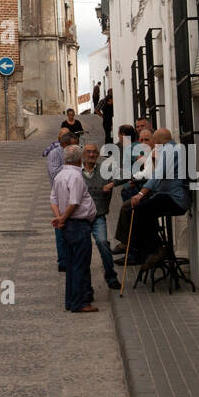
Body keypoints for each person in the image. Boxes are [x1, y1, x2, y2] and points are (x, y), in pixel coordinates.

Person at [128, 128, 189, 265]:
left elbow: (158, 175)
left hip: (174, 198)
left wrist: (140, 193)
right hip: (166, 195)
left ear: (159, 141)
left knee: (140, 210)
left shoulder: (169, 150)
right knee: (144, 208)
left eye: (155, 143)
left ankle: (155, 249)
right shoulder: (170, 149)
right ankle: (154, 247)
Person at [50, 144, 97, 313]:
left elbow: (53, 200)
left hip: (68, 225)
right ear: (79, 159)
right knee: (80, 265)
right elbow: (74, 202)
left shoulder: (60, 176)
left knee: (71, 264)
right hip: (78, 225)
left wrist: (60, 218)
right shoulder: (75, 177)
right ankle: (80, 302)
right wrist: (62, 218)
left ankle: (71, 300)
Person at [82, 142, 120, 292]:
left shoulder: (105, 169)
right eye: (88, 152)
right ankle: (86, 286)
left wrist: (112, 184)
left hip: (98, 216)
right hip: (81, 218)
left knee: (103, 243)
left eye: (94, 152)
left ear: (97, 154)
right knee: (84, 251)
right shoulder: (77, 172)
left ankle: (111, 276)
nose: (91, 155)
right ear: (83, 154)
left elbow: (128, 174)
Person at [43, 129, 75, 272]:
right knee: (61, 226)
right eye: (74, 146)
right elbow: (55, 173)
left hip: (73, 194)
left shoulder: (75, 155)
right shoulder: (54, 154)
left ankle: (73, 257)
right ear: (65, 145)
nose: (77, 149)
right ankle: (63, 260)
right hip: (60, 195)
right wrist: (71, 167)